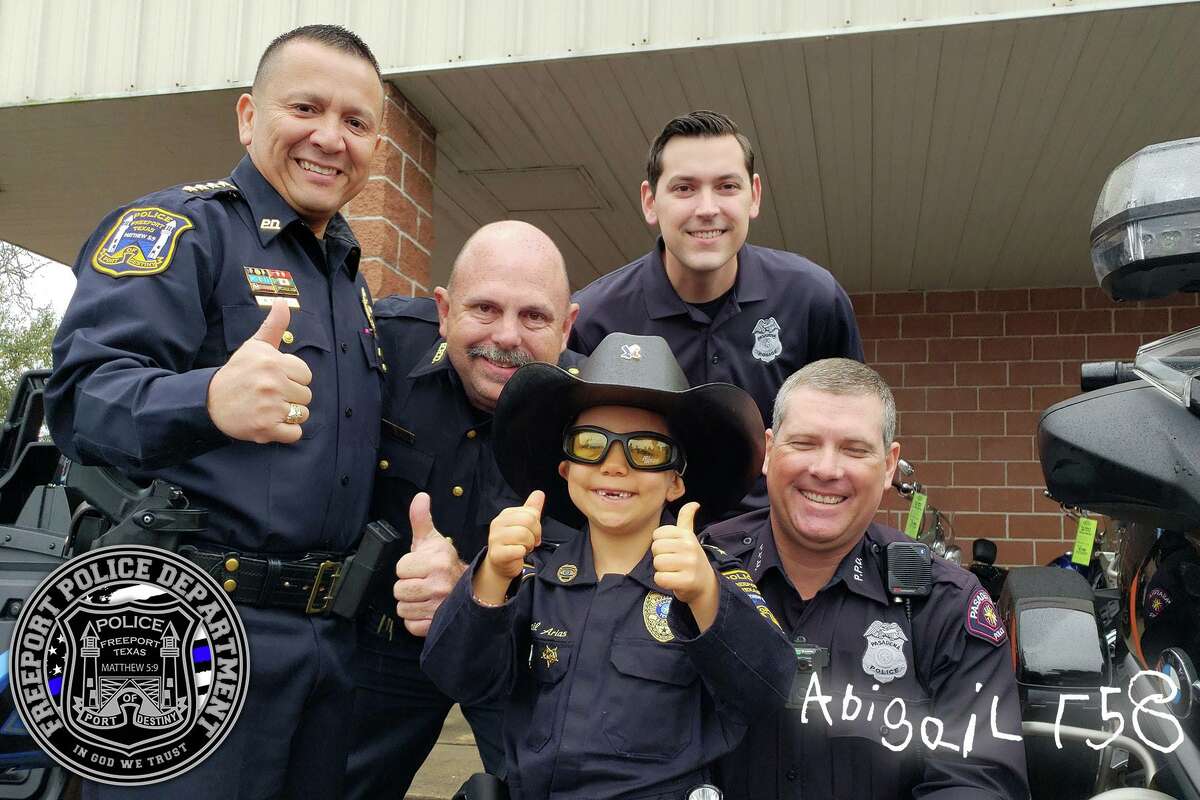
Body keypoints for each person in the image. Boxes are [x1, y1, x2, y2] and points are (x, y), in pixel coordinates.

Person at [44, 24, 386, 799]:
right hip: (180, 635)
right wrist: (205, 399)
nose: (331, 138)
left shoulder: (347, 277)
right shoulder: (183, 230)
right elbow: (79, 397)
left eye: (357, 122)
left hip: (322, 649)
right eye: (306, 107)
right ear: (247, 116)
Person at [422, 332, 794, 799]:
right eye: (590, 444)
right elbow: (458, 677)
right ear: (566, 471)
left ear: (675, 482)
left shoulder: (711, 578)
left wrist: (705, 595)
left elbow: (767, 691)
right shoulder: (532, 579)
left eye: (646, 451)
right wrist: (492, 577)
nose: (614, 465)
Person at [703, 358, 1029, 799]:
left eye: (854, 450)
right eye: (803, 442)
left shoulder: (944, 605)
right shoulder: (703, 573)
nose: (826, 469)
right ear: (768, 450)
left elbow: (978, 782)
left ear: (890, 465)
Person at [346, 221, 582, 798]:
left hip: (519, 655)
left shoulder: (596, 405)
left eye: (534, 316)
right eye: (484, 308)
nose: (507, 337)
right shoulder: (379, 348)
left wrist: (474, 589)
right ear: (444, 309)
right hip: (384, 644)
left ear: (567, 325)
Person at [569, 110, 863, 514]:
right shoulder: (594, 318)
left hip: (776, 550)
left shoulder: (813, 299)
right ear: (650, 201)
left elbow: (851, 434)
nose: (707, 208)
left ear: (753, 195)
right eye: (684, 188)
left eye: (726, 186)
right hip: (642, 552)